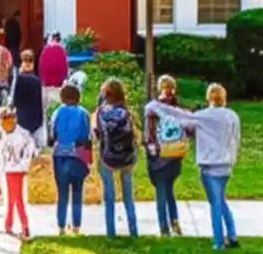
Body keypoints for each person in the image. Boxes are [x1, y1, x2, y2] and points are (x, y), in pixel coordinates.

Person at [147, 83, 241, 250]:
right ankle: (232, 235)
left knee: (215, 204)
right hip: (226, 166)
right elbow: (236, 139)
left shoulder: (204, 116)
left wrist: (156, 107)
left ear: (209, 97)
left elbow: (178, 116)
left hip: (210, 167)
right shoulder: (232, 116)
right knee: (220, 200)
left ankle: (218, 242)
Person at [93, 77, 139, 238]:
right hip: (127, 158)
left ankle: (110, 232)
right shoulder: (126, 112)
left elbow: (97, 134)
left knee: (109, 197)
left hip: (108, 158)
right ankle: (133, 231)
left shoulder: (101, 112)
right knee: (128, 196)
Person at [47, 82, 91, 236]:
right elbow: (86, 138)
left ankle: (61, 226)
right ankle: (77, 226)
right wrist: (88, 159)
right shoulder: (83, 113)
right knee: (77, 192)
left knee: (62, 193)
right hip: (78, 154)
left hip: (60, 155)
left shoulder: (57, 113)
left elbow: (51, 136)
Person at [145, 74, 186, 236]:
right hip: (176, 153)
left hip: (160, 154)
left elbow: (149, 134)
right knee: (169, 190)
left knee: (161, 191)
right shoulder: (178, 107)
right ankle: (175, 222)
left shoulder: (153, 108)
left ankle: (164, 227)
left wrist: (151, 153)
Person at [0, 107, 36, 239]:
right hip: (11, 170)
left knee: (16, 199)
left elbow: (29, 151)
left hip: (13, 170)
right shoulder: (17, 133)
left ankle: (24, 226)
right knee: (12, 198)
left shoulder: (19, 135)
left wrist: (22, 164)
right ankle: (9, 224)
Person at [11, 50, 44, 144]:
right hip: (36, 119)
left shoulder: (18, 79)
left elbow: (14, 100)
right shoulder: (37, 80)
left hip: (22, 119)